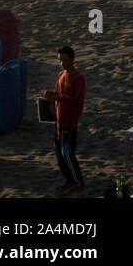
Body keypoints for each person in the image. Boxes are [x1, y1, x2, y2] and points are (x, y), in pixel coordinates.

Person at [43, 45, 85, 190]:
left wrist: (58, 97)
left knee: (67, 152)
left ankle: (78, 182)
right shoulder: (61, 75)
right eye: (60, 60)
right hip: (58, 121)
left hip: (70, 122)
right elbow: (57, 92)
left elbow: (77, 100)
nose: (62, 63)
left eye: (65, 60)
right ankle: (69, 180)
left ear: (72, 60)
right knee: (59, 155)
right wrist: (50, 94)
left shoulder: (78, 78)